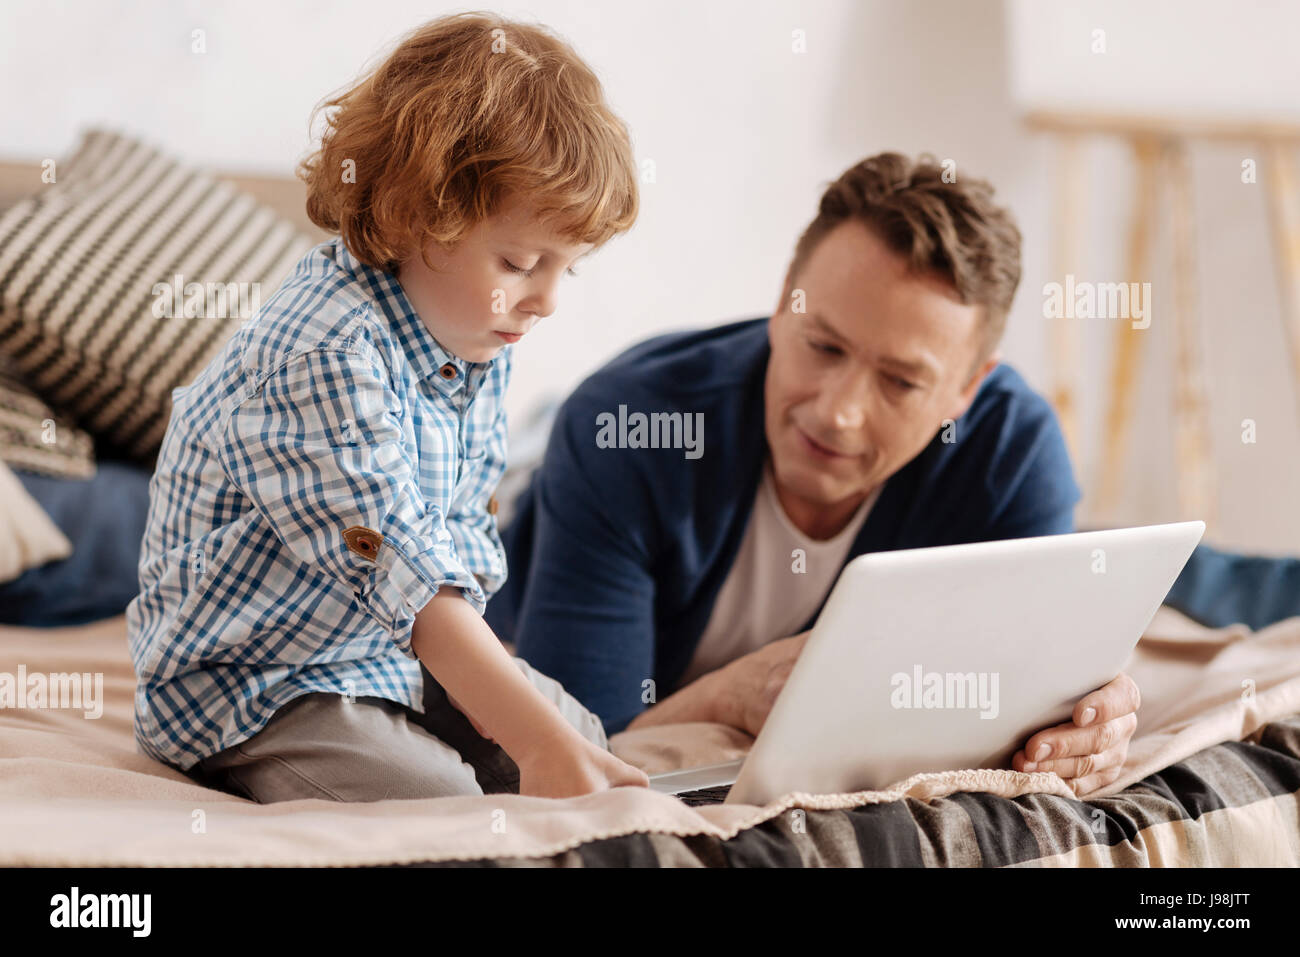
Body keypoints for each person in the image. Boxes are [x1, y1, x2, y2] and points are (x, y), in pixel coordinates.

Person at [488, 152, 1141, 796]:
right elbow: (581, 749)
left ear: (968, 389)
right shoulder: (625, 425)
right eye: (823, 346)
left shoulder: (1012, 452)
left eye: (901, 381)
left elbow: (1025, 690)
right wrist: (737, 690)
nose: (839, 414)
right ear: (781, 306)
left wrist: (1089, 710)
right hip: (523, 492)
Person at [126, 13, 649, 802]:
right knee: (443, 803)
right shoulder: (323, 350)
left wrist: (528, 722)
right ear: (417, 213)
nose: (543, 301)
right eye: (519, 261)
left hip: (380, 652)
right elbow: (396, 561)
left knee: (582, 737)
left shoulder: (479, 334)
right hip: (252, 680)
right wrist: (523, 731)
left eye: (563, 271)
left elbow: (463, 533)